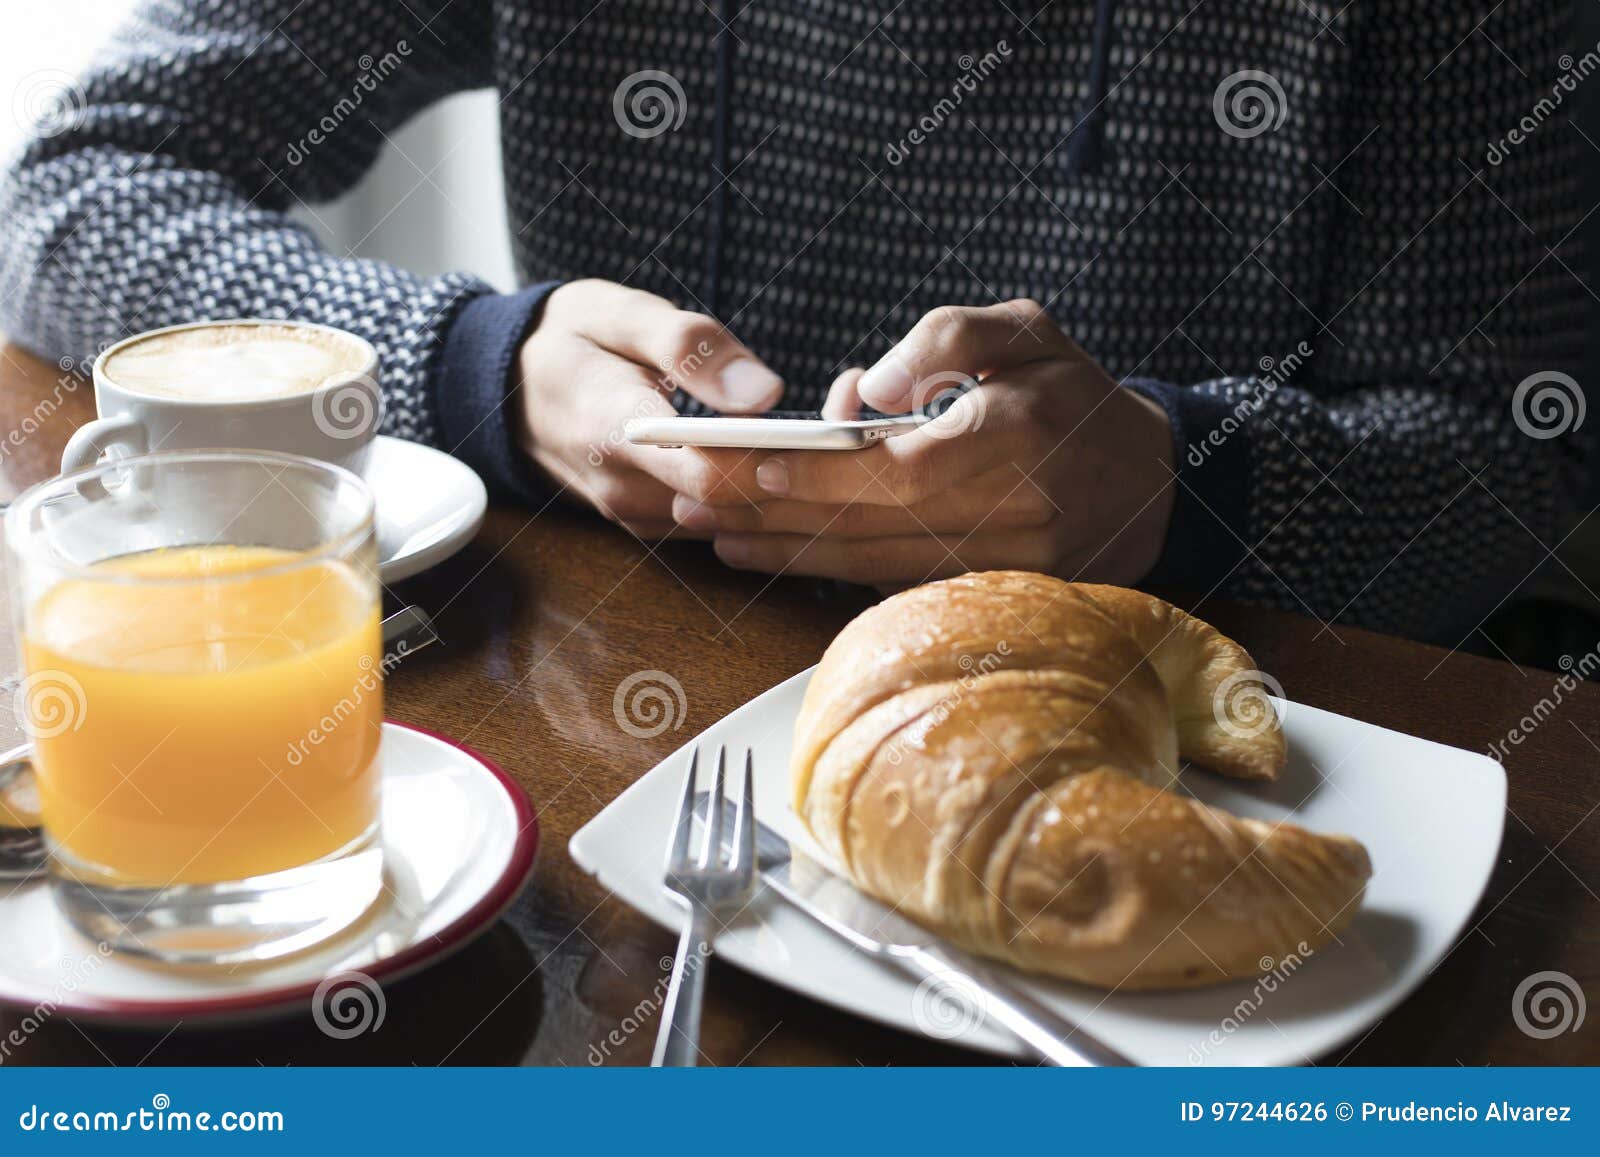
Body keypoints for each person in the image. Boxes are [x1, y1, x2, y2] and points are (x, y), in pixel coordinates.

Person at [0, 0, 1588, 644]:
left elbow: (1538, 481)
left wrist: (1190, 482)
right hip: (633, 748)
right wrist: (475, 366)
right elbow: (72, 190)